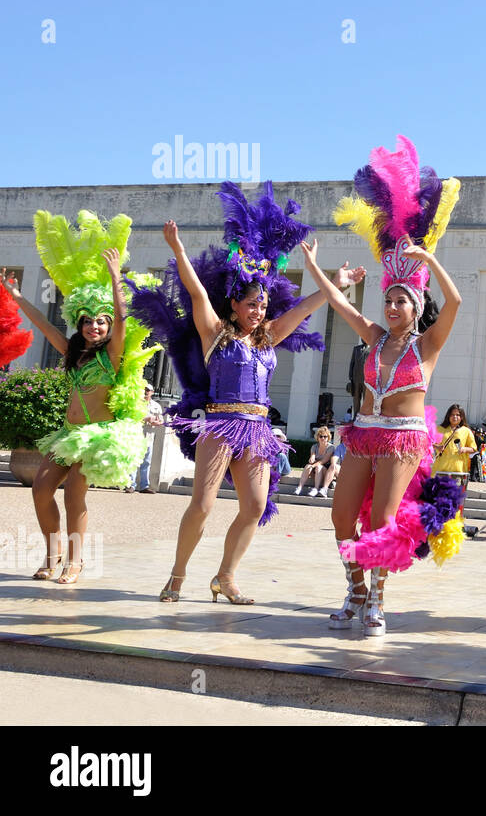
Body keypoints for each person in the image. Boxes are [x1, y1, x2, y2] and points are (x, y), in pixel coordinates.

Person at [132, 183, 332, 605]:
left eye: (262, 304)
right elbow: (196, 292)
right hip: (220, 424)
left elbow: (307, 307)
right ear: (236, 306)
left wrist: (339, 282)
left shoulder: (269, 337)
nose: (259, 309)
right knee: (202, 505)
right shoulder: (216, 335)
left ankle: (226, 576)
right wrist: (178, 249)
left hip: (258, 430)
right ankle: (177, 574)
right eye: (251, 304)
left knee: (256, 506)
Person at [310, 135, 465, 637]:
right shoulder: (374, 336)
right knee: (340, 517)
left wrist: (427, 259)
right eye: (389, 300)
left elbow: (456, 301)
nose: (392, 308)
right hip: (362, 432)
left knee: (381, 520)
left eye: (402, 302)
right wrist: (315, 268)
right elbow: (341, 304)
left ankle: (377, 599)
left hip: (401, 437)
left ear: (416, 308)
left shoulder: (427, 346)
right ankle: (354, 590)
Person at [2, 212, 159, 585]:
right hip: (69, 433)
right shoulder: (74, 352)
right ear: (80, 322)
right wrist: (19, 297)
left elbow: (122, 319)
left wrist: (115, 277)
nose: (95, 326)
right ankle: (52, 554)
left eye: (100, 320)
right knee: (41, 489)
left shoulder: (113, 355)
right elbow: (44, 325)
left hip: (101, 433)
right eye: (88, 320)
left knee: (74, 492)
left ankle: (76, 562)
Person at [128, 382, 165, 494]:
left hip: (149, 435)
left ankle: (144, 486)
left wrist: (157, 422)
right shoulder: (136, 403)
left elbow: (161, 420)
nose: (145, 392)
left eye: (148, 390)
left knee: (146, 461)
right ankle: (131, 485)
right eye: (144, 389)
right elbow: (132, 416)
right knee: (133, 459)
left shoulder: (156, 406)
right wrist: (146, 419)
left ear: (152, 392)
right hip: (136, 433)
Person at [433, 402, 477, 475]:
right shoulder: (439, 429)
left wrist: (464, 449)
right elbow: (428, 443)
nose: (455, 417)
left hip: (459, 470)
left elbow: (474, 448)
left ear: (462, 417)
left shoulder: (466, 431)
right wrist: (437, 446)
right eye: (452, 415)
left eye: (458, 415)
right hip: (441, 468)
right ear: (448, 416)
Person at [295, 426, 339, 497]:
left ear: (328, 437)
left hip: (326, 471)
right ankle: (299, 487)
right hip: (316, 471)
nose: (323, 438)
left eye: (325, 436)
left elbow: (323, 461)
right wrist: (312, 458)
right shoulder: (314, 447)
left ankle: (316, 488)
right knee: (307, 466)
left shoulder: (331, 448)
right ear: (317, 437)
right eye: (321, 436)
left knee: (318, 466)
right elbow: (312, 456)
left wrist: (313, 465)